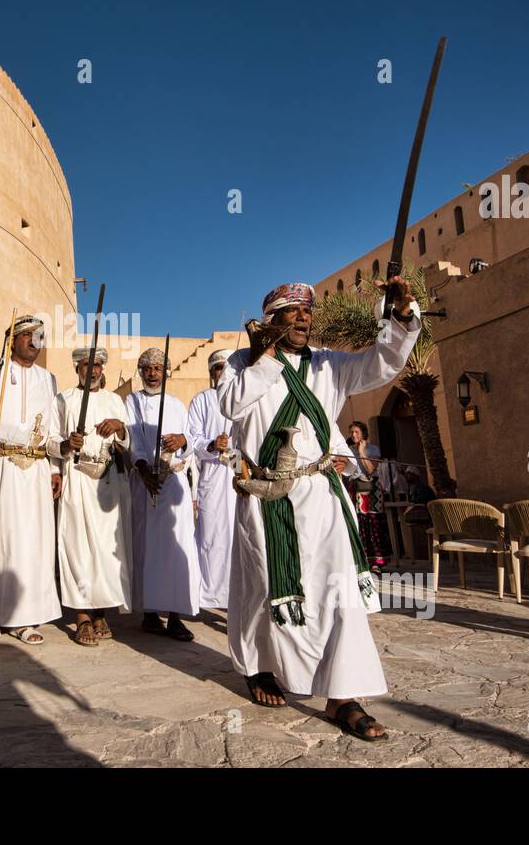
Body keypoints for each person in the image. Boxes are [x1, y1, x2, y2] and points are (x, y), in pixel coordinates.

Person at [218, 279, 420, 741]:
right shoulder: (242, 363)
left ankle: (343, 695)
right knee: (265, 588)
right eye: (292, 311)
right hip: (268, 495)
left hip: (322, 496)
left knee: (337, 593)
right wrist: (264, 358)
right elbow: (232, 404)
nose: (304, 318)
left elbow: (384, 362)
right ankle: (261, 666)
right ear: (272, 319)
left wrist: (401, 317)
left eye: (308, 312)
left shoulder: (330, 366)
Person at [0, 314, 62, 645]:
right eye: (28, 336)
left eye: (39, 337)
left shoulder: (48, 380)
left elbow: (53, 429)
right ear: (12, 339)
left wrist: (55, 468)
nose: (34, 342)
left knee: (31, 543)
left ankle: (26, 618)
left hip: (33, 471)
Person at [49, 347, 132, 646]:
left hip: (107, 485)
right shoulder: (64, 399)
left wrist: (120, 428)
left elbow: (129, 441)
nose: (93, 371)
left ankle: (100, 611)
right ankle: (82, 615)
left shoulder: (114, 400)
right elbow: (50, 440)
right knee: (77, 546)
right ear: (77, 369)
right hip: (76, 480)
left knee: (105, 550)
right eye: (87, 366)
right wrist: (65, 445)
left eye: (97, 366)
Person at [126, 346, 199, 642]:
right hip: (145, 485)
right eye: (147, 369)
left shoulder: (177, 404)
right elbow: (132, 439)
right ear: (141, 373)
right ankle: (150, 615)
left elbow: (191, 440)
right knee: (146, 549)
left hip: (174, 486)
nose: (153, 373)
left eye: (158, 368)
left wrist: (183, 440)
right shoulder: (132, 401)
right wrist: (143, 470)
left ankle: (176, 617)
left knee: (176, 548)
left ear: (165, 372)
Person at [186, 350, 237, 610]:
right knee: (213, 539)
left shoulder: (246, 399)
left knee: (242, 536)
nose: (222, 372)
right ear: (211, 373)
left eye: (227, 367)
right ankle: (213, 596)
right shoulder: (202, 400)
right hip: (214, 476)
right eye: (218, 368)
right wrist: (213, 445)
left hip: (241, 474)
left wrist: (237, 455)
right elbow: (192, 439)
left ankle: (241, 597)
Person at [346, 420, 393, 574]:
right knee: (359, 524)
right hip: (355, 489)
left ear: (363, 433)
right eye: (352, 432)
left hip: (372, 490)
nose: (353, 435)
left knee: (374, 524)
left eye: (356, 432)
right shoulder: (346, 450)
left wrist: (361, 452)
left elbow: (370, 469)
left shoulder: (373, 448)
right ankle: (361, 560)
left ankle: (376, 562)